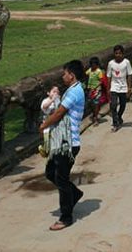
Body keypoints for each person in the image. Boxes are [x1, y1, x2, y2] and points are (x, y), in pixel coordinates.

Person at [39, 59, 86, 230]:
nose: (63, 76)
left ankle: (66, 217)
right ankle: (75, 194)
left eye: (65, 73)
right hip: (61, 141)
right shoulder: (72, 90)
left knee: (61, 178)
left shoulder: (74, 92)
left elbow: (59, 113)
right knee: (51, 172)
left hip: (68, 143)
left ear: (71, 75)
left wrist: (44, 125)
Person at [106, 44, 132, 131]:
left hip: (123, 87)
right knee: (113, 105)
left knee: (123, 104)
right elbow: (109, 76)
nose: (118, 55)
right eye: (116, 53)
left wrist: (129, 88)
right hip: (114, 86)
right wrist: (108, 88)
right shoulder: (111, 63)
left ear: (123, 54)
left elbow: (129, 75)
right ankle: (115, 123)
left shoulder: (126, 62)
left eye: (119, 53)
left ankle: (119, 116)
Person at [85, 56, 109, 125]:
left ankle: (95, 118)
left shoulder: (99, 72)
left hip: (97, 90)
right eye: (92, 64)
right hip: (90, 90)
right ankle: (95, 115)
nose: (93, 66)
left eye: (94, 64)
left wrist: (96, 87)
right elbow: (85, 74)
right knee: (92, 103)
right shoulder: (90, 70)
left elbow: (102, 81)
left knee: (95, 104)